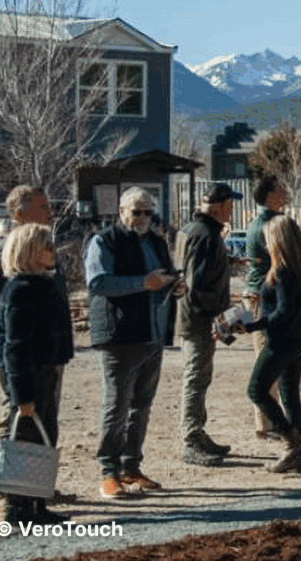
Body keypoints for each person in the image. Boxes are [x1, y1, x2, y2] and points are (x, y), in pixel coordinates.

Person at [86, 187, 181, 499]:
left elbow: (163, 276)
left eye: (148, 212)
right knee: (116, 405)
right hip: (120, 335)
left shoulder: (156, 241)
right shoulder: (105, 241)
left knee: (141, 405)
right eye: (136, 211)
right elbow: (98, 282)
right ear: (122, 211)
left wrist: (174, 286)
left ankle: (131, 465)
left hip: (153, 333)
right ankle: (108, 472)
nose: (142, 218)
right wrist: (143, 283)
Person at [0, 222, 74, 526]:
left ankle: (37, 505)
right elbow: (15, 350)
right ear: (30, 251)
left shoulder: (40, 285)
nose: (54, 252)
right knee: (26, 441)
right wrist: (22, 395)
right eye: (47, 246)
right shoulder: (21, 291)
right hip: (29, 377)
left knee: (44, 438)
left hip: (43, 372)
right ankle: (17, 508)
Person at [0, 185, 68, 443]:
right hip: (25, 352)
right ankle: (6, 474)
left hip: (46, 351)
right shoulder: (9, 250)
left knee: (45, 416)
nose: (50, 212)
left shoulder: (43, 247)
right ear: (20, 214)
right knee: (17, 416)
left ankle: (36, 480)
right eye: (42, 207)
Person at [235, 214, 301, 473]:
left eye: (267, 239)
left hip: (282, 341)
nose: (265, 244)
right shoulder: (300, 268)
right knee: (290, 395)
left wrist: (253, 326)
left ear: (278, 241)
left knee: (256, 390)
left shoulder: (281, 271)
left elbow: (282, 311)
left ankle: (292, 442)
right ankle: (296, 456)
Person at [175, 182, 238, 466]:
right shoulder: (205, 236)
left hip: (193, 315)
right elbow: (197, 283)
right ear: (218, 206)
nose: (232, 209)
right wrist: (216, 318)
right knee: (195, 378)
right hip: (199, 317)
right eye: (229, 204)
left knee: (200, 377)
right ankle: (191, 439)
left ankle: (198, 433)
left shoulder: (192, 230)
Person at [242, 175, 289, 439]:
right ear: (270, 195)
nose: (284, 193)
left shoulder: (265, 222)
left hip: (265, 295)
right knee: (266, 358)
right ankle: (265, 423)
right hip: (262, 298)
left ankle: (272, 419)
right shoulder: (266, 226)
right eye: (280, 189)